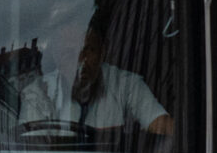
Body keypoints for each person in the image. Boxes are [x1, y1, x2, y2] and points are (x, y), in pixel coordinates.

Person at [18, 15, 172, 139]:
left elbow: (162, 126)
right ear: (57, 59)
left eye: (88, 50)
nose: (81, 62)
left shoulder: (125, 84)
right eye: (69, 54)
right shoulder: (37, 94)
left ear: (101, 53)